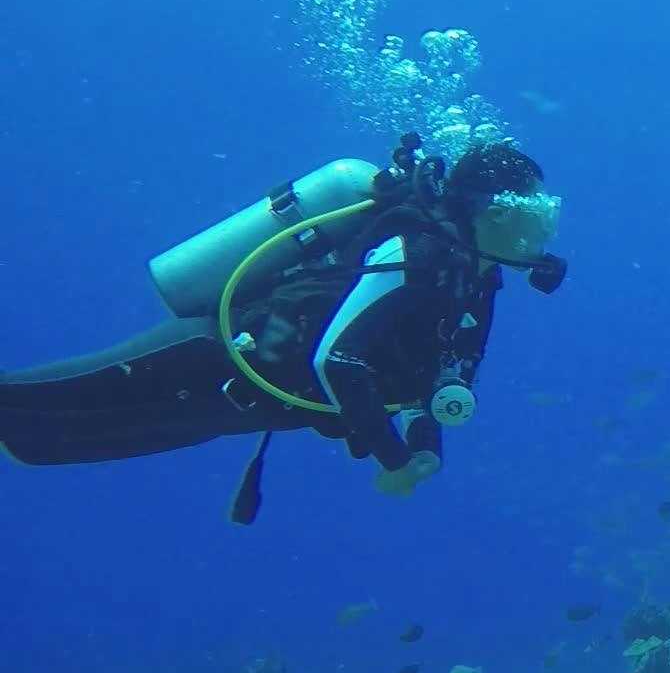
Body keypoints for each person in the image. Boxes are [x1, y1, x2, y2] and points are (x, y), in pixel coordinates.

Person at [0, 133, 567, 522]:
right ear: (496, 212)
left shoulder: (477, 278)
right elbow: (336, 360)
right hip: (212, 357)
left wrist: (425, 448)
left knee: (35, 442)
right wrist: (393, 462)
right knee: (30, 397)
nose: (546, 229)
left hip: (246, 407)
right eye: (540, 213)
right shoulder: (417, 255)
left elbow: (446, 379)